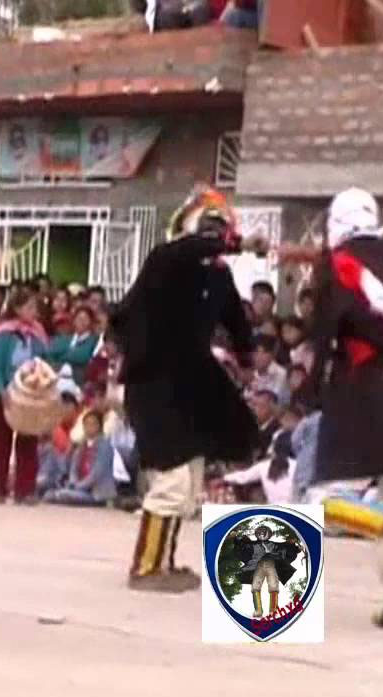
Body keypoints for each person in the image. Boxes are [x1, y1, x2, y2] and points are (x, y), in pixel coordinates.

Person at [112, 185, 261, 593]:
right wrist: (236, 241)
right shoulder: (166, 261)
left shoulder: (218, 275)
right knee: (173, 478)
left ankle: (166, 561)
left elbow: (235, 320)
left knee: (191, 482)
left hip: (192, 385)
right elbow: (186, 251)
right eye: (209, 232)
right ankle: (145, 567)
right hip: (154, 382)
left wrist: (248, 357)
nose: (215, 241)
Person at [303, 187, 383, 631]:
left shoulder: (336, 265)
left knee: (324, 499)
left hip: (363, 388)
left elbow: (332, 327)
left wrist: (313, 388)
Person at [0, 289, 49, 504]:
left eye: (35, 308)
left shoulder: (38, 334)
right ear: (17, 308)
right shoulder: (3, 334)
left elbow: (44, 363)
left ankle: (25, 490)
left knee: (28, 441)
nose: (33, 312)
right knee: (0, 443)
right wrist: (1, 391)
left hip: (30, 395)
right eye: (29, 307)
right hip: (6, 392)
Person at [44, 410, 117, 506]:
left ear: (99, 426)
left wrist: (79, 486)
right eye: (87, 424)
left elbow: (96, 474)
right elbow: (74, 468)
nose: (89, 427)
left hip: (96, 493)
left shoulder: (105, 446)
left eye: (93, 424)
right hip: (78, 487)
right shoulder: (81, 445)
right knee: (49, 495)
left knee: (64, 494)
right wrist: (73, 482)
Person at [235, 524, 302, 620]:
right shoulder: (252, 545)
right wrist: (238, 539)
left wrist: (293, 546)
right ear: (256, 533)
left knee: (273, 584)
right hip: (258, 565)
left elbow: (285, 547)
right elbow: (242, 547)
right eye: (260, 531)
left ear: (269, 534)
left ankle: (273, 610)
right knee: (255, 585)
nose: (261, 533)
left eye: (264, 531)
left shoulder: (274, 545)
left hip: (271, 564)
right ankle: (258, 610)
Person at [36, 392, 81, 494]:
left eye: (67, 407)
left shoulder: (82, 423)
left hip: (68, 469)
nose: (64, 411)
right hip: (52, 467)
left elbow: (66, 449)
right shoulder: (55, 425)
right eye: (61, 408)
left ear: (75, 408)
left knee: (49, 449)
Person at [46, 306, 100, 380]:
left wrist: (62, 357)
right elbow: (50, 355)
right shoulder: (64, 338)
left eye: (85, 319)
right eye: (79, 318)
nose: (82, 322)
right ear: (74, 320)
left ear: (91, 322)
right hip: (57, 376)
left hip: (79, 379)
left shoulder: (94, 341)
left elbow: (83, 357)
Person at [247, 335, 287, 401]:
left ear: (272, 354)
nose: (258, 357)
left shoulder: (281, 374)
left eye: (263, 352)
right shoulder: (252, 373)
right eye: (256, 352)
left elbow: (271, 400)